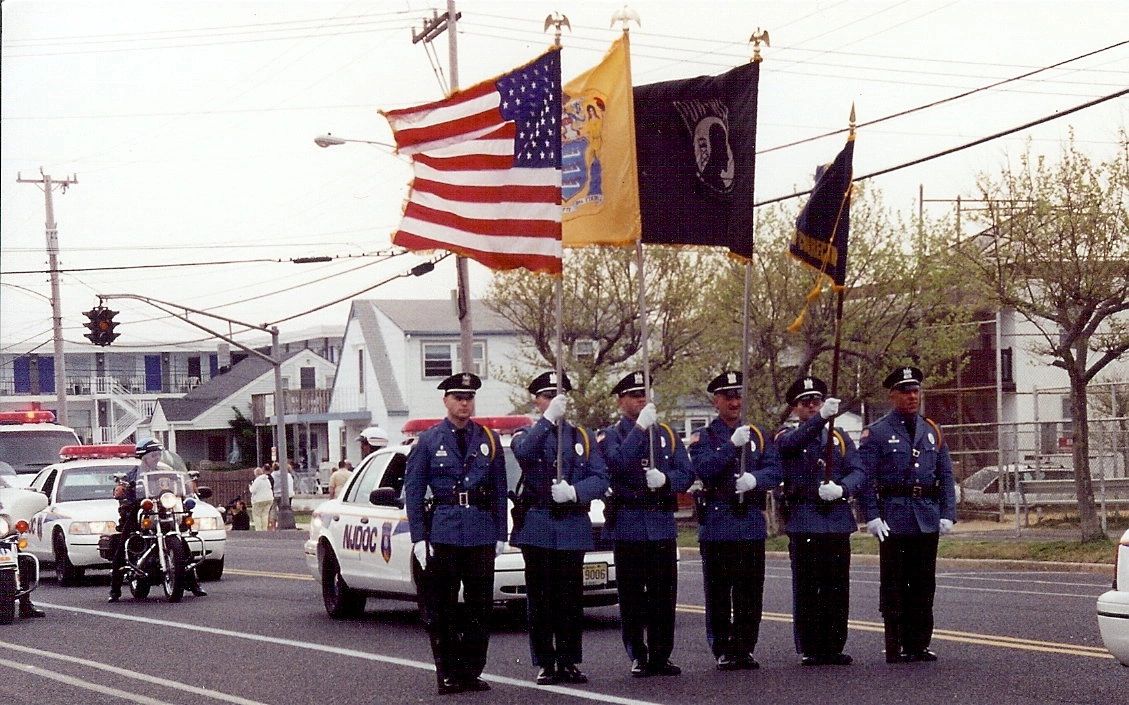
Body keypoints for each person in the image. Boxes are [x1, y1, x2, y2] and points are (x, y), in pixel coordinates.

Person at [404, 372, 508, 696]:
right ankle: (447, 672)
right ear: (445, 400)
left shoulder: (488, 439)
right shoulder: (429, 440)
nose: (464, 403)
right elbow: (414, 489)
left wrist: (501, 532)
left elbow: (499, 488)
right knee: (444, 607)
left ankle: (471, 671)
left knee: (480, 607)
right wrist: (419, 538)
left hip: (479, 531)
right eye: (458, 398)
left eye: (469, 398)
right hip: (445, 532)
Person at [510, 371, 609, 686]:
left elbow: (601, 477)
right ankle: (546, 662)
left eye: (559, 395)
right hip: (538, 525)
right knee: (541, 599)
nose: (554, 400)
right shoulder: (526, 433)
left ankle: (568, 661)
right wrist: (548, 420)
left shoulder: (582, 436)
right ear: (537, 401)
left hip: (571, 525)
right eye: (547, 395)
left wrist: (576, 492)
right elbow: (524, 454)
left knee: (569, 598)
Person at [599, 371, 694, 678]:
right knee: (632, 597)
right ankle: (638, 654)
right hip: (628, 523)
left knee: (663, 595)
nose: (641, 399)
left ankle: (661, 654)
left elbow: (686, 473)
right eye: (635, 395)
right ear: (621, 400)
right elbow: (616, 465)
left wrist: (667, 480)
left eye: (645, 394)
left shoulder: (665, 433)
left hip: (661, 522)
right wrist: (639, 429)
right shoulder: (611, 434)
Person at [859, 366, 957, 663]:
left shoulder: (932, 430)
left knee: (924, 583)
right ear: (892, 395)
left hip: (926, 516)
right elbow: (866, 479)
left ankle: (918, 643)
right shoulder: (877, 432)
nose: (912, 397)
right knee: (896, 584)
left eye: (916, 391)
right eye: (905, 392)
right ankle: (896, 643)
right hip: (895, 518)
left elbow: (946, 475)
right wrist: (872, 516)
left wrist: (948, 513)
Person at [688, 371, 782, 671]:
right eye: (728, 396)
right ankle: (723, 648)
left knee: (750, 590)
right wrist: (730, 446)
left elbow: (775, 471)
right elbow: (704, 468)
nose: (734, 402)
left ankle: (745, 646)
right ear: (716, 401)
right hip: (718, 523)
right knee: (719, 592)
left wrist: (755, 479)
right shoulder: (704, 436)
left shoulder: (758, 434)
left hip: (750, 522)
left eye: (738, 396)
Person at [775, 375, 866, 666]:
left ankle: (834, 644)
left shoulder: (839, 437)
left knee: (837, 587)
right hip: (805, 519)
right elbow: (791, 446)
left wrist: (843, 488)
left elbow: (858, 471)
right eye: (806, 403)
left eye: (817, 402)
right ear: (795, 409)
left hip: (836, 519)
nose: (812, 406)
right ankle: (811, 646)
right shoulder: (786, 436)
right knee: (808, 587)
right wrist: (821, 419)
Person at [109, 439, 206, 601]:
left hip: (165, 510)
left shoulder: (166, 471)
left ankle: (193, 583)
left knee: (182, 544)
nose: (156, 458)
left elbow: (181, 482)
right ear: (143, 457)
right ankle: (115, 589)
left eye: (158, 454)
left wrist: (189, 485)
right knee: (123, 543)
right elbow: (120, 489)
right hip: (142, 509)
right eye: (153, 455)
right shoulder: (134, 473)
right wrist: (122, 488)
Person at [249, 467, 273, 531]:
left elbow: (252, 490)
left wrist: (250, 487)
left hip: (258, 500)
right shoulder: (267, 479)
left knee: (257, 515)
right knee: (265, 514)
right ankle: (264, 529)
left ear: (256, 474)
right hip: (269, 499)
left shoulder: (257, 480)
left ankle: (259, 529)